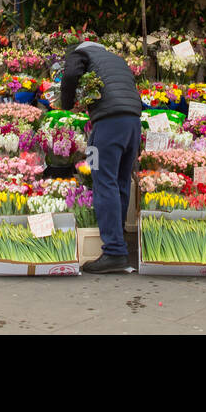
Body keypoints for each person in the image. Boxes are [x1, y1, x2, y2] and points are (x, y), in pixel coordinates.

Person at [60, 38, 142, 274]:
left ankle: (114, 252)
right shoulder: (116, 59)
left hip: (108, 125)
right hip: (132, 123)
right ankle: (120, 240)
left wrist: (67, 104)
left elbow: (70, 76)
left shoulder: (81, 55)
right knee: (121, 181)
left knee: (103, 181)